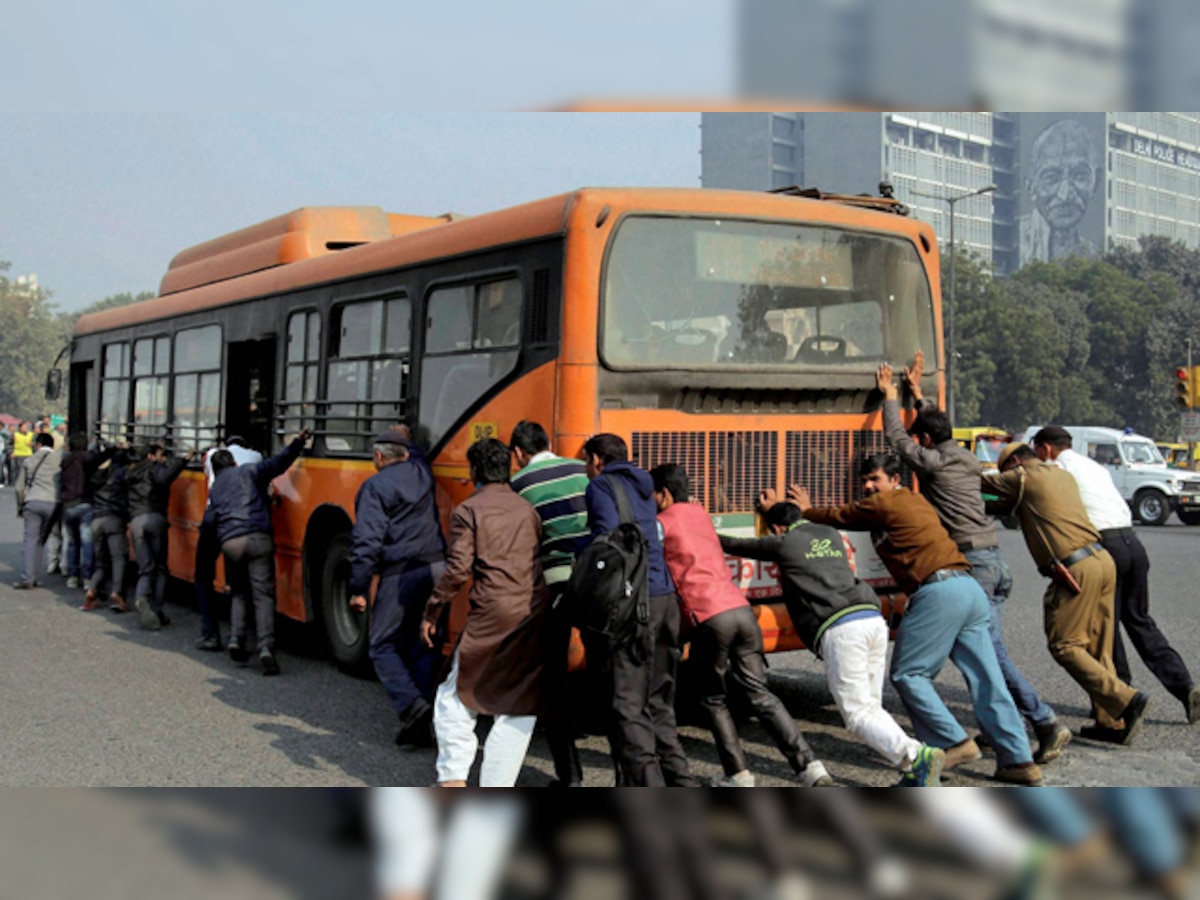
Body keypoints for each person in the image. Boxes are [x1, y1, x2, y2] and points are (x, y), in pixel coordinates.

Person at [791, 453, 1043, 786]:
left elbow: (841, 515)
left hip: (939, 591)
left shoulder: (887, 502)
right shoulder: (915, 501)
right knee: (987, 679)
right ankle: (1019, 760)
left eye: (875, 479)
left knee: (909, 673)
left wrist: (805, 509)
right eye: (864, 480)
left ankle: (952, 743)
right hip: (968, 589)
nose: (868, 486)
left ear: (895, 480)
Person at [881, 355, 1072, 765]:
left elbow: (900, 441)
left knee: (987, 656)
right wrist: (917, 394)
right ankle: (1004, 735)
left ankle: (1043, 722)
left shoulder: (933, 461)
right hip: (994, 560)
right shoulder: (965, 456)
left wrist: (891, 397)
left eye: (923, 439)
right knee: (983, 652)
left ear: (928, 443)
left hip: (973, 564)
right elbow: (935, 428)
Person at [718, 489, 944, 787]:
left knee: (857, 716)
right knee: (871, 708)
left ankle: (916, 756)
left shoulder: (783, 542)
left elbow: (735, 544)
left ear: (776, 529)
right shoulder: (829, 534)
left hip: (842, 628)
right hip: (872, 618)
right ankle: (913, 770)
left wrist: (701, 525)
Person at [652, 463, 835, 788]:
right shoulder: (700, 514)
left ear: (663, 494)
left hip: (709, 616)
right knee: (760, 694)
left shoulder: (659, 525)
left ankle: (738, 774)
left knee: (712, 698)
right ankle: (810, 767)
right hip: (741, 610)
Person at [1032, 426, 1200, 728]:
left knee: (1104, 627)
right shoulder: (1093, 465)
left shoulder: (1054, 469)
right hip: (1132, 543)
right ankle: (1185, 686)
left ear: (1045, 448)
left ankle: (1121, 701)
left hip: (1103, 546)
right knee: (1140, 620)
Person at [984, 443, 1151, 745]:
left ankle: (1127, 699)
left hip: (1076, 568)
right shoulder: (1061, 475)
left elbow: (975, 485)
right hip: (1102, 560)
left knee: (1064, 644)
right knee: (1099, 645)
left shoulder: (1023, 477)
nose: (1004, 476)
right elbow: (1006, 505)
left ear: (1017, 462)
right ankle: (1111, 722)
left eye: (1005, 470)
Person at [418, 438, 549, 788]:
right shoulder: (528, 510)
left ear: (473, 471)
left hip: (491, 612)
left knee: (454, 697)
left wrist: (432, 612)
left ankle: (452, 780)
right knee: (517, 703)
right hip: (532, 610)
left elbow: (458, 569)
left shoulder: (468, 511)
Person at [580, 433, 698, 787]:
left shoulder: (601, 485)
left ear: (598, 459)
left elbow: (608, 538)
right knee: (659, 703)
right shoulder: (646, 484)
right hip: (665, 601)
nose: (586, 468)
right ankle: (682, 780)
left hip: (635, 604)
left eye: (587, 460)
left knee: (628, 706)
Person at [348, 427, 447, 748]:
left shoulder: (374, 487)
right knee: (425, 640)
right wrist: (408, 437)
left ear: (378, 457)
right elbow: (414, 453)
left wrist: (359, 587)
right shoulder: (422, 472)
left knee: (381, 644)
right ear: (405, 454)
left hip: (401, 571)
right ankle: (423, 721)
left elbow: (367, 541)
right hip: (436, 568)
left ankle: (412, 706)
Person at [508, 420, 592, 787]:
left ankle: (570, 777)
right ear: (548, 444)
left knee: (554, 683)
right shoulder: (582, 470)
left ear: (518, 454)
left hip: (557, 587)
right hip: (599, 583)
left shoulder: (519, 486)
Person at [208, 429, 311, 675]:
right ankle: (265, 648)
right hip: (257, 538)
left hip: (231, 543)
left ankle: (236, 639)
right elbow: (278, 464)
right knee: (263, 596)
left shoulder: (215, 488)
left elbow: (213, 519)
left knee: (238, 593)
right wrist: (297, 442)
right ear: (233, 461)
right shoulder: (248, 471)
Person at [194, 436, 263, 651]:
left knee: (203, 576)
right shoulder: (256, 456)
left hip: (214, 517)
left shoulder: (213, 455)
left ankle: (210, 633)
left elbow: (205, 467)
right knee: (238, 582)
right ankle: (238, 635)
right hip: (241, 519)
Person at [126, 443, 194, 631]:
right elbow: (164, 478)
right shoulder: (155, 469)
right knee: (161, 568)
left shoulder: (132, 473)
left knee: (145, 567)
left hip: (136, 522)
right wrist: (184, 460)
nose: (163, 458)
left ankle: (141, 598)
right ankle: (157, 608)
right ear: (151, 456)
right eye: (161, 455)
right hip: (155, 519)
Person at [1019, 117, 1101, 266]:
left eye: (1080, 175)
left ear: (1096, 182)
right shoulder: (1015, 242)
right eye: (1051, 178)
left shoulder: (1096, 257)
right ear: (1031, 187)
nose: (1065, 194)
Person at [58, 433, 112, 591]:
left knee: (73, 542)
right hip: (85, 503)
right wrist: (105, 444)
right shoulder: (87, 458)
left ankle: (73, 577)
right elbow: (105, 455)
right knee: (87, 542)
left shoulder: (65, 460)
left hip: (68, 505)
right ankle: (88, 577)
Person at [85, 443, 132, 612]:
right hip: (113, 519)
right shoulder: (122, 476)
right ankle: (117, 594)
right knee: (118, 559)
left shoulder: (99, 475)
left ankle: (92, 589)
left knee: (101, 562)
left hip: (96, 520)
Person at [13, 432, 62, 589]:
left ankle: (28, 577)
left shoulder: (29, 461)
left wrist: (21, 506)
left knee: (30, 541)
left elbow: (19, 488)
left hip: (33, 502)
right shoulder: (60, 459)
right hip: (53, 503)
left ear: (38, 444)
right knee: (41, 541)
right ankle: (35, 575)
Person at [10, 421, 33, 488]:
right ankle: (18, 483)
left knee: (28, 470)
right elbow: (10, 444)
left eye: (26, 426)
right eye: (24, 426)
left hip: (28, 454)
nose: (25, 428)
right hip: (18, 454)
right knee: (19, 470)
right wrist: (11, 452)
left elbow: (36, 444)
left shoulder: (31, 434)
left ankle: (27, 482)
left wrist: (32, 444)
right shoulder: (15, 435)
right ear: (20, 427)